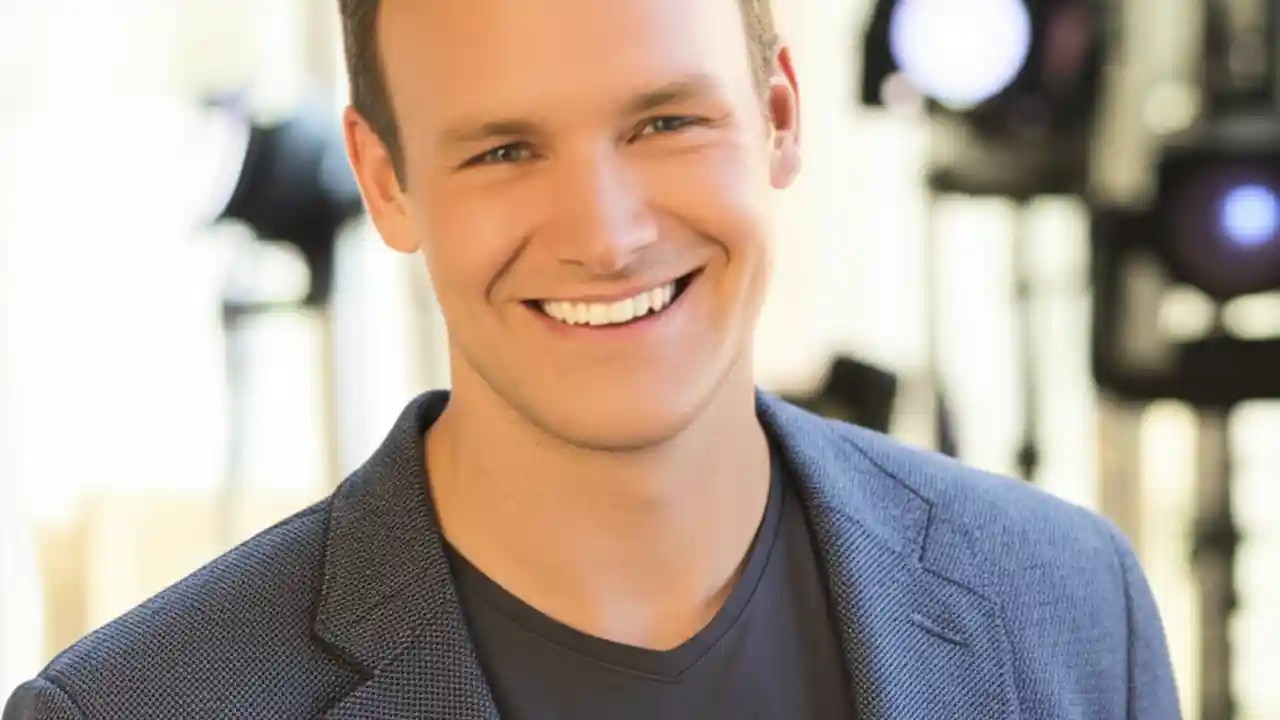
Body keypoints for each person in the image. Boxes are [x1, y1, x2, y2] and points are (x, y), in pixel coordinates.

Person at [4, 0, 1181, 717]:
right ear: (384, 180)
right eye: (504, 149)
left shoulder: (1066, 603)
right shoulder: (140, 708)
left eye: (664, 122)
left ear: (778, 115)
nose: (606, 235)